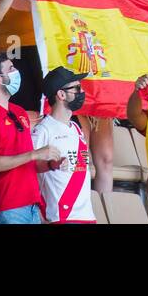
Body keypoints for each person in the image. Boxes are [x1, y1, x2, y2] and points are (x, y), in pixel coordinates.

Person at [0, 52, 58, 224]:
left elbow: (25, 163)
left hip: (33, 203)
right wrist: (34, 154)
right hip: (8, 207)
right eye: (11, 69)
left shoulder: (19, 111)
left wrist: (49, 163)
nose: (16, 72)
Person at [32, 66, 98, 223]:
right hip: (61, 216)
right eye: (76, 88)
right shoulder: (43, 130)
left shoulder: (76, 128)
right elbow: (28, 167)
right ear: (61, 94)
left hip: (87, 216)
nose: (81, 92)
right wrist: (51, 164)